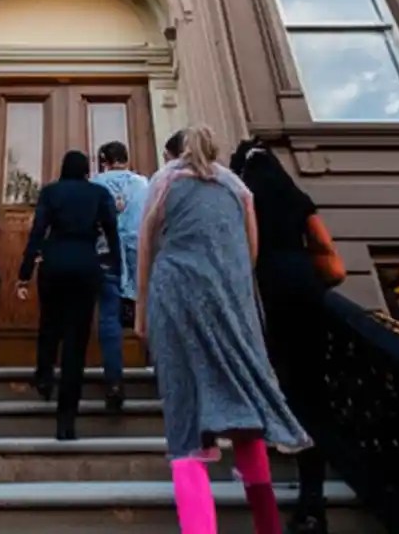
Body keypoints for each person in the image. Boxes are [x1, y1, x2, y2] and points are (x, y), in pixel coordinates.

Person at [135, 125, 311, 534]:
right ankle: (268, 526)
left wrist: (142, 312)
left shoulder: (163, 182)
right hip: (229, 302)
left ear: (171, 153)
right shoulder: (237, 189)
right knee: (245, 407)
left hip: (175, 297)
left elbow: (146, 248)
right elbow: (249, 252)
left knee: (184, 419)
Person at [230, 137, 345, 534]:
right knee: (312, 391)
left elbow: (241, 249)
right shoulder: (295, 195)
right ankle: (312, 501)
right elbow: (328, 250)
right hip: (305, 288)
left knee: (268, 382)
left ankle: (257, 479)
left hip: (263, 293)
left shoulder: (241, 198)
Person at [15, 150, 120, 440]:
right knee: (76, 342)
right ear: (87, 170)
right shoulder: (98, 194)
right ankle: (66, 420)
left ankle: (45, 374)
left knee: (49, 324)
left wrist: (24, 271)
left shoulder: (51, 193)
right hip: (87, 265)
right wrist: (116, 266)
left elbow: (38, 231)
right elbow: (111, 232)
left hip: (54, 263)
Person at [91, 141, 149, 410]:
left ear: (104, 160)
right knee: (146, 313)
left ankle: (114, 380)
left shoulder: (96, 184)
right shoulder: (143, 184)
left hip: (106, 257)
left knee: (109, 318)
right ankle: (156, 368)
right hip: (141, 257)